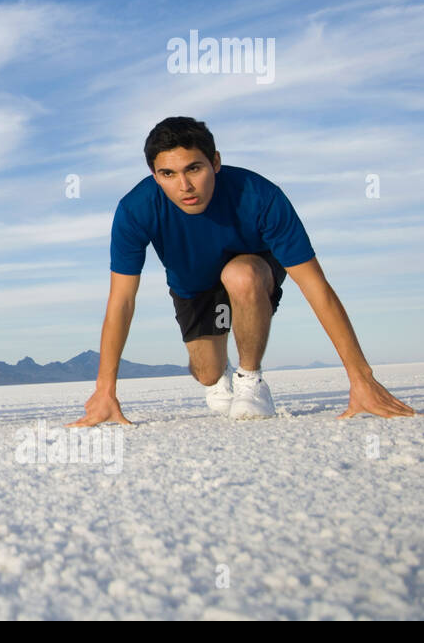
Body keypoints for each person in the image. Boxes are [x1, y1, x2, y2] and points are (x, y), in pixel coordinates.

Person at [71, 117, 415, 426]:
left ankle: (250, 380)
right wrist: (105, 390)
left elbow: (315, 286)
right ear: (154, 176)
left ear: (215, 162)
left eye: (194, 169)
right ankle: (221, 375)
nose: (185, 186)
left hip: (251, 272)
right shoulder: (135, 210)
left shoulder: (260, 195)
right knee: (205, 372)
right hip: (193, 287)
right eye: (168, 174)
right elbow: (122, 301)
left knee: (241, 275)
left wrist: (361, 378)